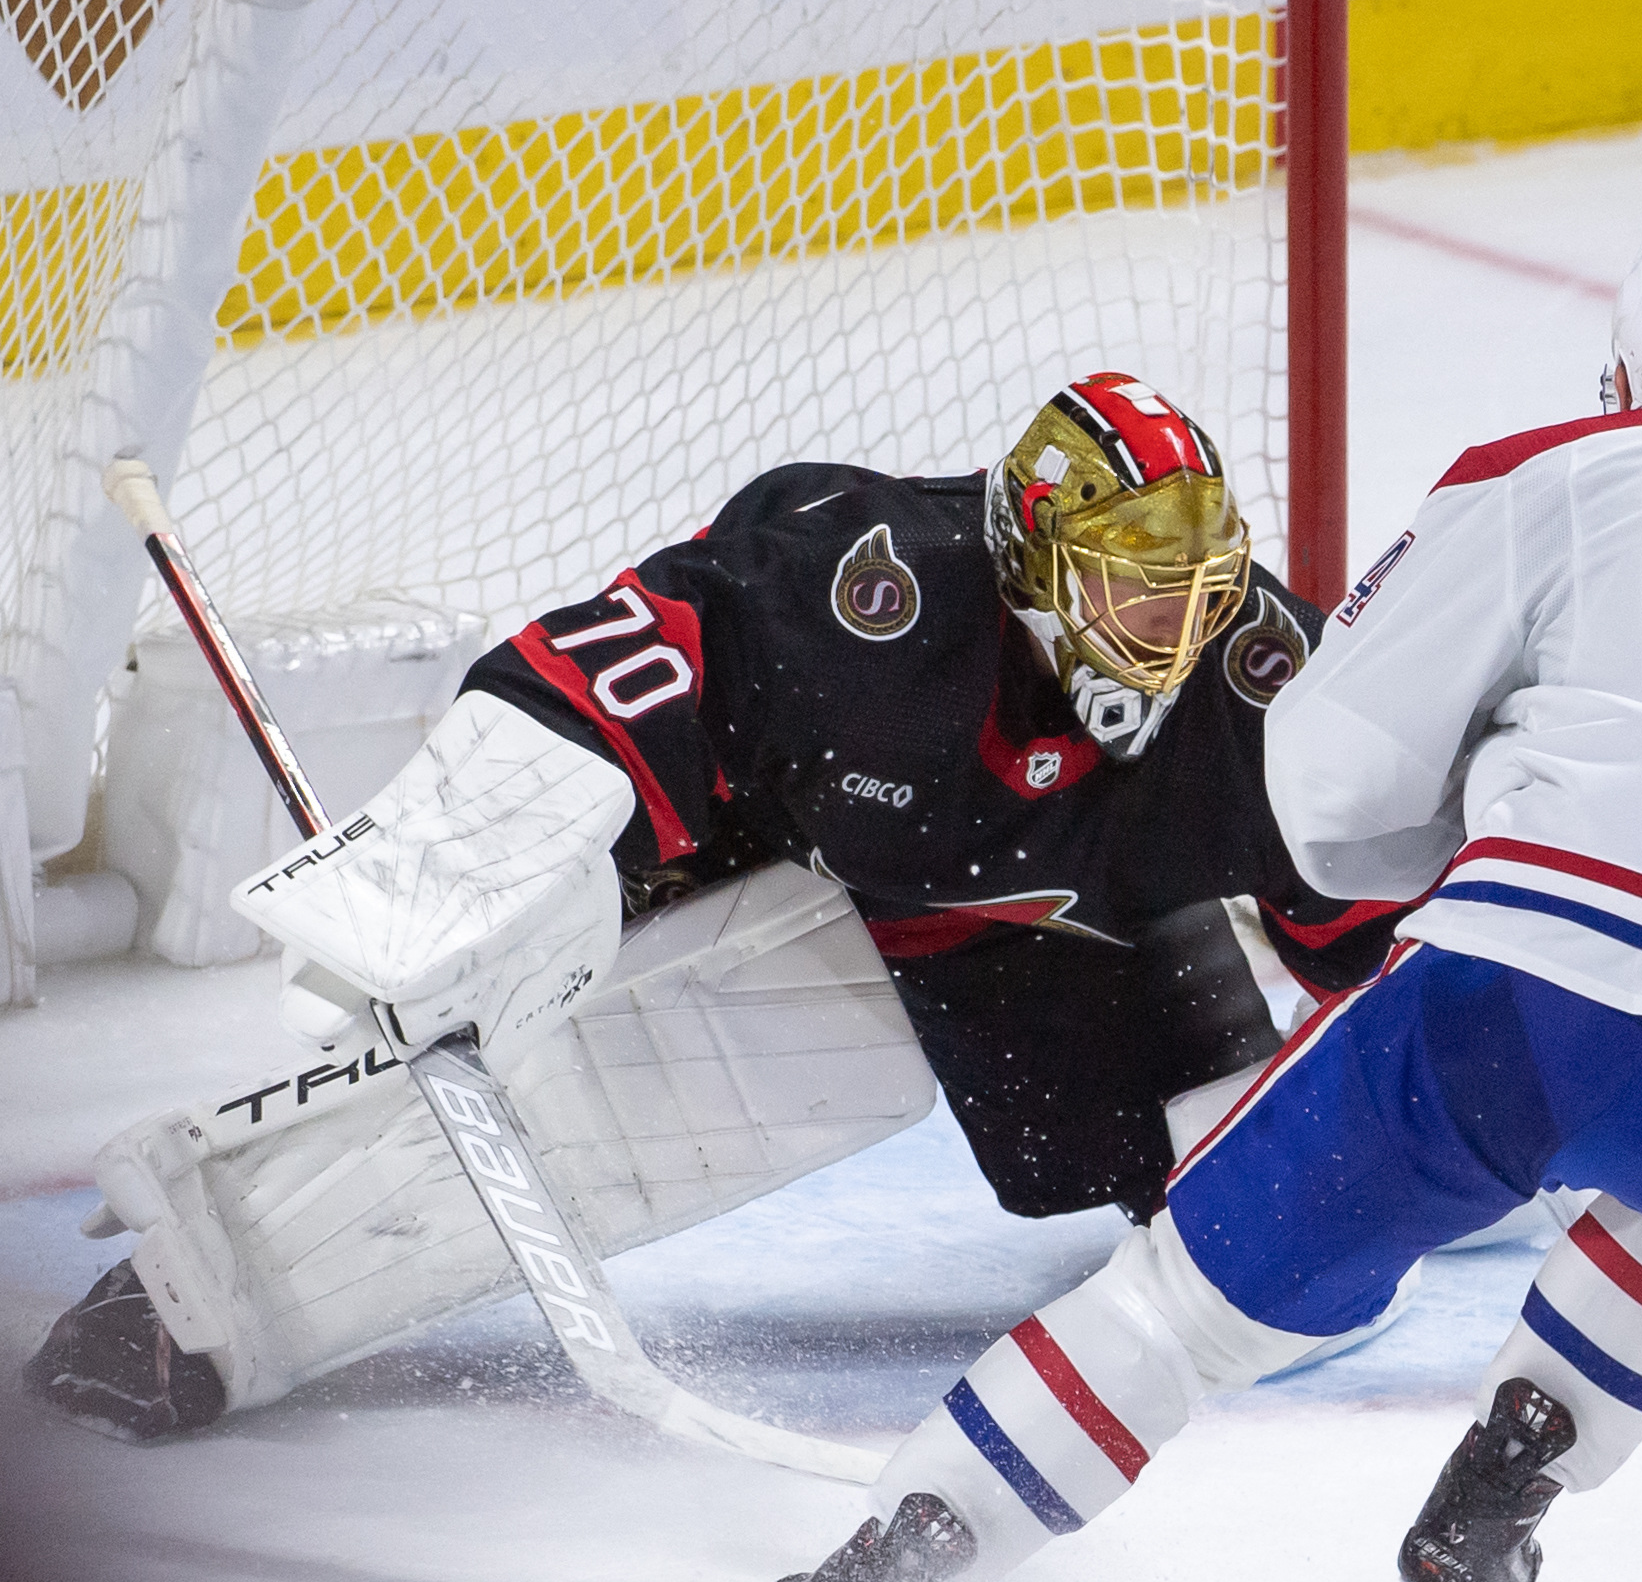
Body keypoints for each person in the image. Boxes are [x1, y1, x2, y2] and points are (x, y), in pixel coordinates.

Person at [737, 211, 1642, 1582]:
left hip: (1527, 1012)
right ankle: (1527, 1453)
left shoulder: (1547, 477)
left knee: (1179, 1310)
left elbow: (1323, 783)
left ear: (1623, 380)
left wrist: (1476, 874)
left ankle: (904, 1556)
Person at [22, 374, 1403, 1440]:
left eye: (1194, 581)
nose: (1175, 618)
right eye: (1131, 582)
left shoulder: (1258, 680)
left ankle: (1228, 1024)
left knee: (1250, 1191)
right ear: (1034, 553)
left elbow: (1388, 928)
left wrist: (1512, 1072)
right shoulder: (878, 594)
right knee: (627, 1051)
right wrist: (470, 859)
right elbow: (607, 661)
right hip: (767, 826)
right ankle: (208, 1294)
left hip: (1029, 923)